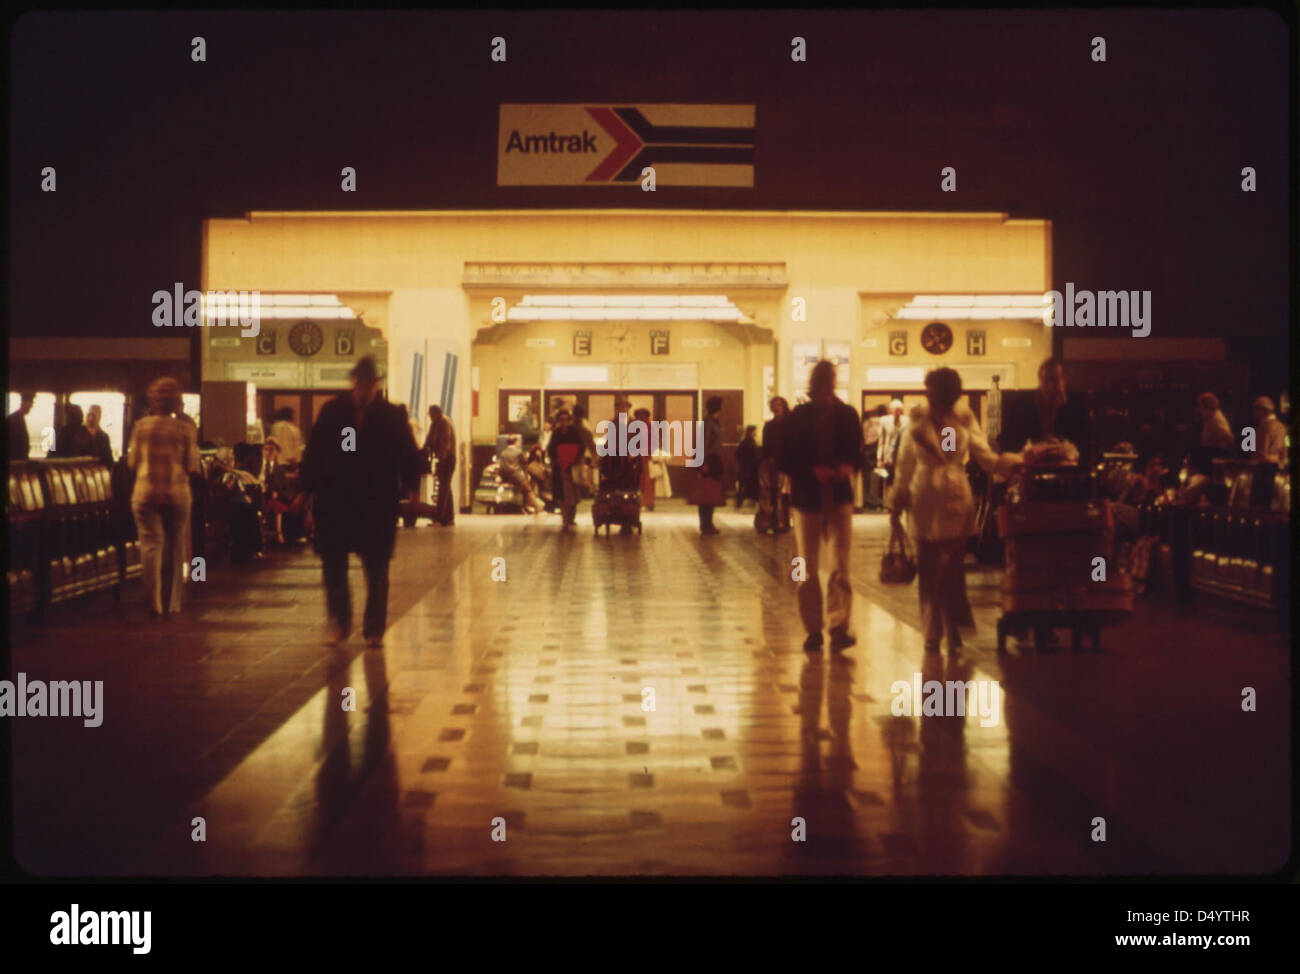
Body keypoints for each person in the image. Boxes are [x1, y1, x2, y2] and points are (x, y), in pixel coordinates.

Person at [889, 367, 1022, 655]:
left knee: (951, 568)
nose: (929, 397)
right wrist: (897, 500)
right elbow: (905, 463)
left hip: (953, 497)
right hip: (924, 496)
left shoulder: (959, 419)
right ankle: (932, 632)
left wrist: (1008, 465)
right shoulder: (917, 419)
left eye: (934, 392)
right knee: (928, 569)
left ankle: (950, 626)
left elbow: (980, 453)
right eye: (928, 391)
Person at [302, 356, 424, 649]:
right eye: (359, 383)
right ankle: (341, 622)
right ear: (353, 383)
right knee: (333, 565)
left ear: (376, 385)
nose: (363, 389)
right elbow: (315, 453)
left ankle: (373, 629)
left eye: (368, 383)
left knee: (377, 567)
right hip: (337, 499)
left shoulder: (392, 415)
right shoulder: (333, 412)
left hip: (375, 500)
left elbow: (408, 452)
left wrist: (412, 488)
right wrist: (308, 491)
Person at [778, 361, 865, 652]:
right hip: (809, 497)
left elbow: (858, 453)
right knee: (807, 567)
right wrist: (812, 471)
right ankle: (814, 627)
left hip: (838, 496)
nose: (829, 383)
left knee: (840, 565)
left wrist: (847, 466)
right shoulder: (799, 416)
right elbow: (785, 458)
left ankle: (838, 626)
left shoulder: (847, 415)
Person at [127, 377, 200, 616]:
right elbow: (191, 465)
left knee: (151, 545)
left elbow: (132, 462)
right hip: (177, 494)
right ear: (177, 402)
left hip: (145, 492)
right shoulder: (185, 429)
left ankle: (154, 602)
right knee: (176, 546)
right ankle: (173, 603)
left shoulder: (141, 426)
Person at [998, 357, 1092, 463]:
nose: (1051, 387)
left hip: (1068, 473)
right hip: (1029, 471)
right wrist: (1028, 452)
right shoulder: (1022, 406)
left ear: (1065, 380)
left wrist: (1068, 451)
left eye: (1055, 381)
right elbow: (1006, 445)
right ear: (1040, 381)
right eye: (1046, 381)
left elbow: (1089, 447)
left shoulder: (1076, 407)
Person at [546, 408, 586, 530]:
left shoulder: (574, 432)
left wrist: (575, 458)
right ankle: (565, 520)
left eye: (565, 420)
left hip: (572, 467)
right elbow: (551, 448)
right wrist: (556, 459)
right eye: (561, 420)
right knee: (563, 496)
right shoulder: (556, 433)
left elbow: (581, 446)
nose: (563, 422)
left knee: (573, 496)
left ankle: (571, 518)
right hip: (560, 468)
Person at [758, 396, 792, 533]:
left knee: (785, 492)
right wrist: (769, 457)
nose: (777, 408)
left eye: (779, 405)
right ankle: (772, 520)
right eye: (775, 405)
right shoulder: (769, 426)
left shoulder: (790, 425)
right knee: (772, 491)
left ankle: (784, 520)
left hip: (787, 462)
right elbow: (766, 444)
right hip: (772, 463)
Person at [423, 404, 457, 526]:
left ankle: (440, 518)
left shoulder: (444, 423)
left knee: (444, 488)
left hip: (447, 459)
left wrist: (441, 458)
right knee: (446, 487)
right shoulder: (435, 424)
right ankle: (449, 518)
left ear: (436, 413)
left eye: (430, 414)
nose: (429, 416)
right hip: (442, 459)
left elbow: (445, 442)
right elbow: (429, 440)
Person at [698, 396, 725, 535]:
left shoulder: (714, 421)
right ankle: (705, 524)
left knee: (711, 492)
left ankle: (708, 523)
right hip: (710, 460)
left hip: (715, 459)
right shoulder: (708, 422)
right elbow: (703, 443)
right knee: (706, 493)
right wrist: (703, 463)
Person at [861, 404, 887, 508]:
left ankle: (868, 498)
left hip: (867, 447)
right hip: (875, 447)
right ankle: (876, 499)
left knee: (867, 475)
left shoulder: (867, 421)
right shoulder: (880, 422)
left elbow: (865, 436)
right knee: (878, 474)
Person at [878, 399, 909, 486]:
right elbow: (881, 440)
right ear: (891, 410)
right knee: (887, 481)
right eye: (895, 410)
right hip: (888, 455)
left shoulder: (907, 421)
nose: (896, 412)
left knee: (900, 480)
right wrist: (879, 458)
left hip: (900, 454)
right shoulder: (884, 421)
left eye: (899, 410)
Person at [634, 408, 657, 511]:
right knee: (647, 482)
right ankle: (648, 503)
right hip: (645, 455)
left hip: (643, 456)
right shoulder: (648, 425)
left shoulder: (645, 426)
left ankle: (646, 503)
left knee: (645, 481)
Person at [734, 425, 760, 509]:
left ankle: (740, 501)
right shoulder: (751, 442)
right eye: (755, 431)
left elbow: (738, 454)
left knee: (742, 485)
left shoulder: (744, 442)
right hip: (750, 467)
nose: (756, 433)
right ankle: (753, 500)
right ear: (751, 432)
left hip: (744, 467)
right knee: (751, 484)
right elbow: (755, 455)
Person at [7, 391, 35, 460]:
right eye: (30, 405)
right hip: (16, 459)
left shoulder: (16, 418)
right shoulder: (14, 419)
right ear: (24, 403)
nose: (31, 407)